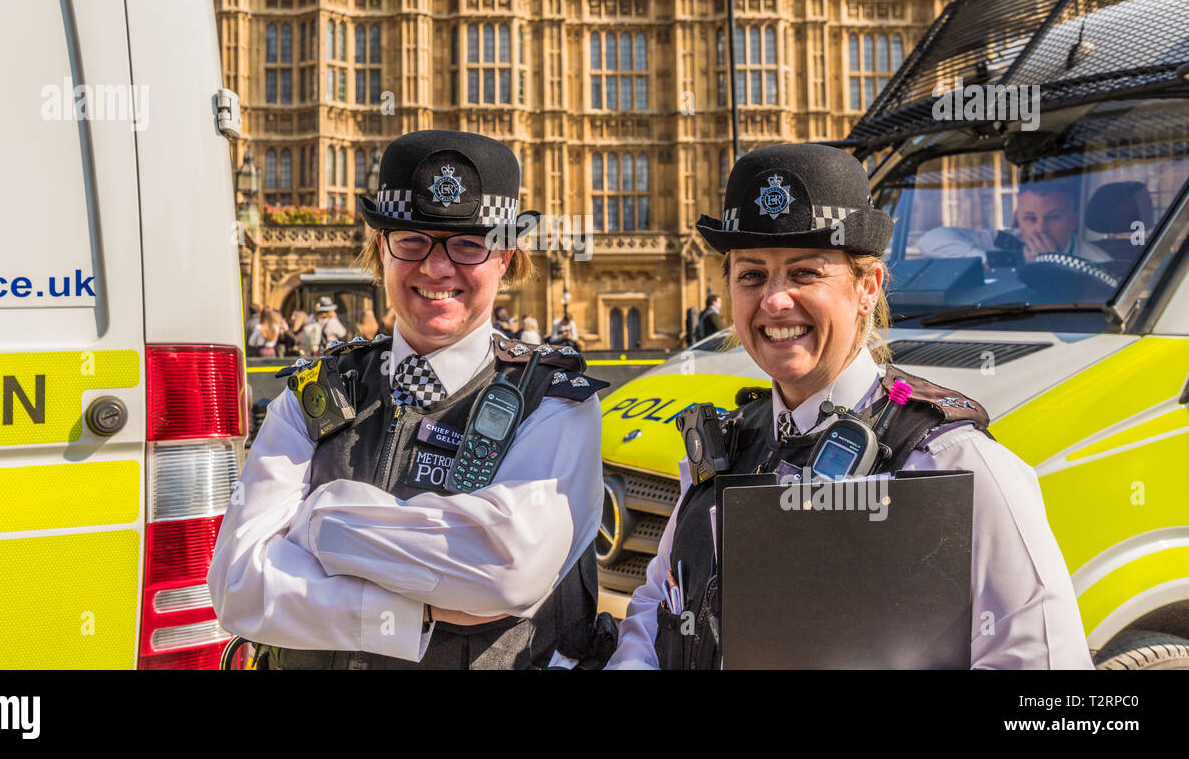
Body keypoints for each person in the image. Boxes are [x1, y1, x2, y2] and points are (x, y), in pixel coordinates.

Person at [606, 143, 1092, 670]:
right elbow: (656, 608)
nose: (774, 300)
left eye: (805, 273)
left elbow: (1045, 666)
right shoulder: (729, 447)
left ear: (868, 286)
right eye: (751, 275)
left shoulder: (949, 459)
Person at [209, 129, 610, 670]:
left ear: (505, 258)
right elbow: (237, 586)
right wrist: (416, 613)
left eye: (468, 243)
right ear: (381, 248)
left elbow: (506, 569)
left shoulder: (554, 403)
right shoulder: (317, 392)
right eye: (412, 240)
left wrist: (318, 520)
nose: (436, 266)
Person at [918, 180, 1110, 265]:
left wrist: (1052, 265)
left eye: (1053, 218)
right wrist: (989, 261)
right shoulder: (1004, 241)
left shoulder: (1098, 261)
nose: (1040, 228)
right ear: (1018, 219)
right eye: (1030, 219)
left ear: (1073, 221)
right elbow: (929, 241)